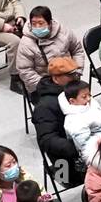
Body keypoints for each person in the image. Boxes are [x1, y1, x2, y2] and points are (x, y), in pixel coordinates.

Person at [29, 56, 87, 184]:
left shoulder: (76, 92)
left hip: (88, 147)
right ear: (55, 78)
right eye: (70, 76)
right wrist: (79, 147)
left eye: (76, 74)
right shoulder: (44, 107)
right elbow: (47, 140)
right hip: (66, 164)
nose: (76, 78)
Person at [15, 6, 85, 96]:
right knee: (55, 106)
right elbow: (25, 70)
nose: (37, 27)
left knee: (83, 98)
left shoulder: (64, 32)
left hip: (68, 79)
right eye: (34, 24)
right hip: (43, 86)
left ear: (50, 23)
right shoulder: (26, 43)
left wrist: (77, 71)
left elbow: (77, 50)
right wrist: (47, 86)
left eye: (41, 23)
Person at [56, 81, 101, 161]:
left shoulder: (90, 105)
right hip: (99, 154)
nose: (89, 98)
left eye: (89, 95)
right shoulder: (74, 120)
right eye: (84, 97)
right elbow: (86, 147)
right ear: (72, 101)